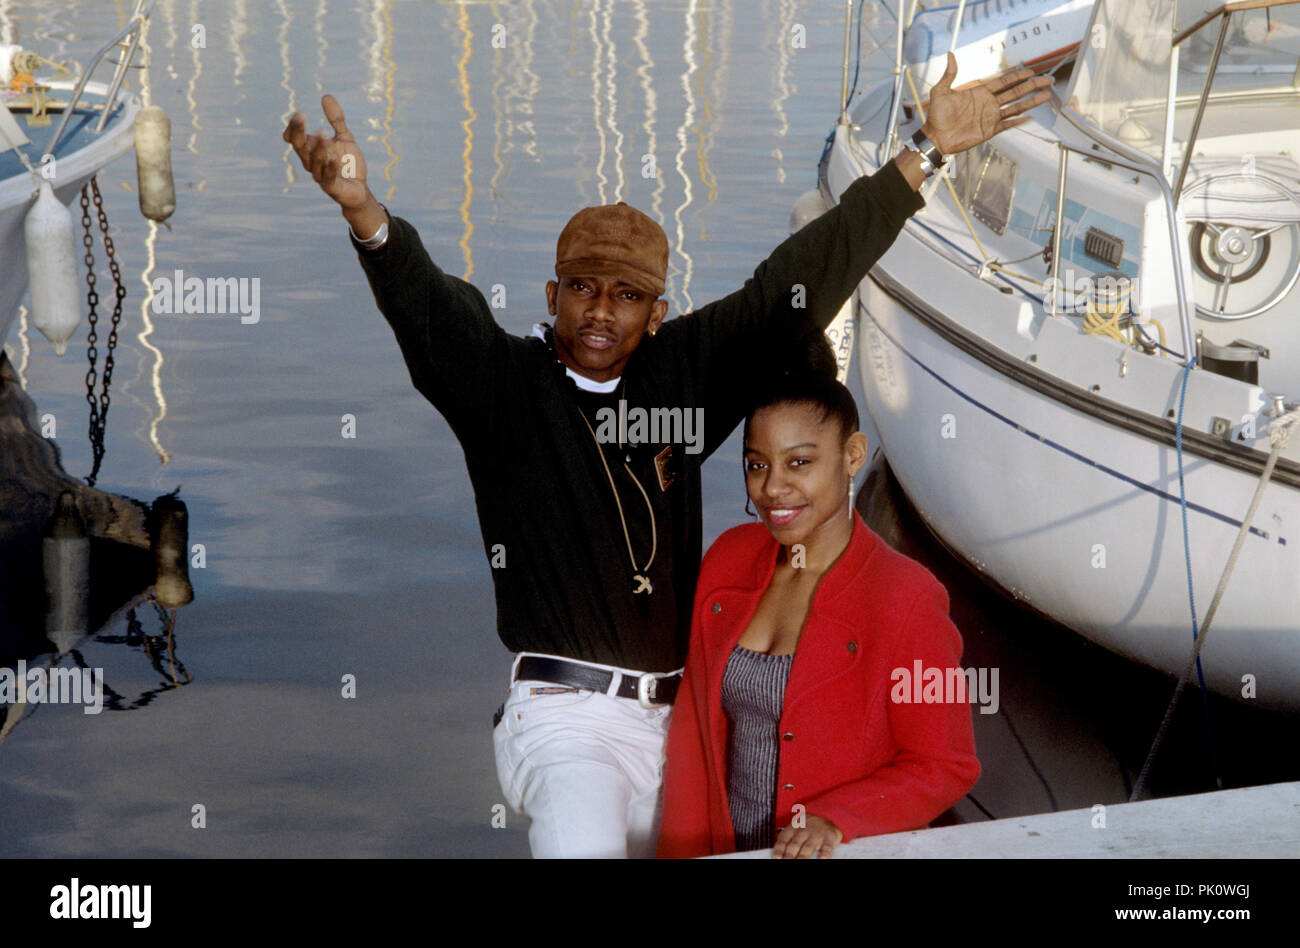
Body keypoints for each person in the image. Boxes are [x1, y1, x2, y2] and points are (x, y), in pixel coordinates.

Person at [281, 53, 1049, 858]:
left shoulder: (680, 381)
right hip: (568, 724)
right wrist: (364, 212)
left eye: (626, 295)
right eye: (582, 288)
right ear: (551, 297)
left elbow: (798, 281)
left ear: (658, 311)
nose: (601, 312)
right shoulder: (501, 387)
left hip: (684, 729)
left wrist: (924, 150)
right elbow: (428, 305)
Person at [656, 336, 980, 859]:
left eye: (799, 463)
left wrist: (838, 819)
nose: (773, 488)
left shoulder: (909, 597)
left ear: (852, 455)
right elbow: (694, 736)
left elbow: (945, 763)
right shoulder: (728, 558)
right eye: (757, 465)